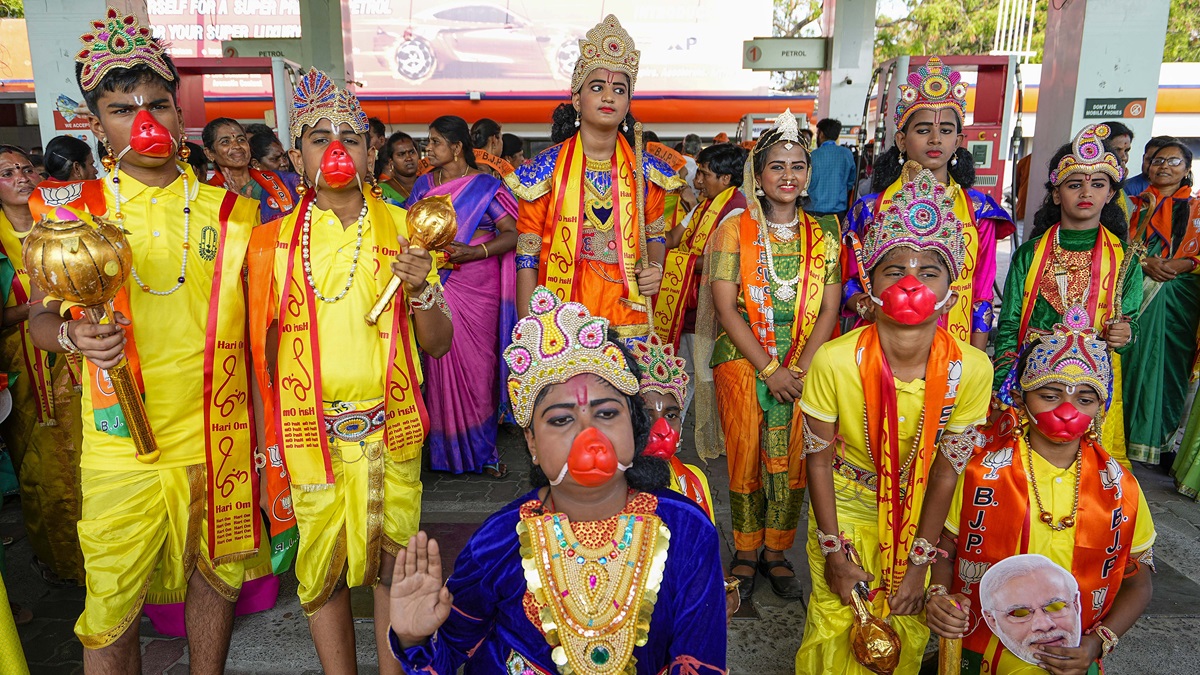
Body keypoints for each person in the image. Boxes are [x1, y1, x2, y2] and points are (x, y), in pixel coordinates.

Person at [27, 9, 264, 671]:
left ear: (180, 113)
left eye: (157, 104)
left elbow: (262, 332)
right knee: (110, 610)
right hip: (119, 443)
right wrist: (72, 335)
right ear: (95, 123)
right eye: (122, 109)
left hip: (217, 432)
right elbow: (40, 318)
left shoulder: (235, 212)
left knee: (216, 581)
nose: (144, 120)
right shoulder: (68, 212)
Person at [385, 288, 727, 674]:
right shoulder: (497, 542)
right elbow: (449, 654)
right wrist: (414, 640)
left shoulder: (687, 529)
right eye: (562, 420)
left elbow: (700, 662)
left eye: (607, 414)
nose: (587, 434)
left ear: (634, 427)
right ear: (532, 442)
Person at [246, 68, 452, 675]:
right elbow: (260, 354)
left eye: (351, 139)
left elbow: (437, 344)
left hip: (390, 430)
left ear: (369, 152)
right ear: (297, 155)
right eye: (319, 139)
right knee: (321, 571)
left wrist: (422, 290)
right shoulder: (269, 242)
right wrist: (263, 442)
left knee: (395, 565)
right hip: (309, 435)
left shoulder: (405, 229)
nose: (336, 150)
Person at [796, 167, 993, 674]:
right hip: (846, 503)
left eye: (929, 271)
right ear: (869, 285)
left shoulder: (971, 368)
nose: (911, 283)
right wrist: (834, 552)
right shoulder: (835, 360)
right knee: (836, 628)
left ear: (951, 292)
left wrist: (920, 564)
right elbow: (817, 462)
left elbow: (946, 472)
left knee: (903, 629)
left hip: (921, 509)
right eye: (894, 270)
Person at [928, 321, 1155, 674]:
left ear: (1102, 406)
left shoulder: (1120, 488)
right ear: (1020, 398)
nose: (1067, 410)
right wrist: (939, 596)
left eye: (1085, 399)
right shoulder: (979, 472)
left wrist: (1097, 643)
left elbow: (1138, 582)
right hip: (981, 656)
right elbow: (943, 550)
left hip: (1070, 661)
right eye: (1050, 396)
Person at [700, 110, 841, 602]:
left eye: (798, 166)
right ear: (757, 177)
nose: (788, 175)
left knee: (795, 460)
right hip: (743, 359)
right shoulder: (733, 230)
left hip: (804, 362)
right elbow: (724, 306)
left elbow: (830, 307)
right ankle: (745, 548)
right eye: (776, 166)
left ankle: (777, 551)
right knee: (745, 456)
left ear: (808, 175)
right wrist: (769, 368)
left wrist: (800, 367)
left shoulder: (825, 232)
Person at [508, 15, 683, 343]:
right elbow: (527, 255)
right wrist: (530, 333)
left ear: (628, 103)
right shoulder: (545, 171)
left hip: (629, 318)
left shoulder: (647, 172)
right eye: (597, 87)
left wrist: (656, 269)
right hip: (561, 321)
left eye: (619, 90)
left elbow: (655, 236)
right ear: (577, 99)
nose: (609, 97)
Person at [993, 125, 1140, 467]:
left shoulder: (1125, 258)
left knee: (1087, 471)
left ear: (1110, 194)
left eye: (1098, 184)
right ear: (1057, 194)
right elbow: (1010, 323)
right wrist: (1004, 381)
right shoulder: (1029, 254)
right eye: (1075, 184)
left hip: (1093, 385)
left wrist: (1126, 333)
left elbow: (1131, 324)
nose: (1086, 192)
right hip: (1035, 381)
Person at [844, 57, 1014, 351]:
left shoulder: (979, 210)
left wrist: (975, 360)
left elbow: (982, 293)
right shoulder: (870, 209)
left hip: (954, 346)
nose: (935, 139)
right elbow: (848, 281)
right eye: (923, 130)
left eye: (946, 131)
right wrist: (868, 308)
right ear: (901, 140)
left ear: (958, 140)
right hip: (883, 343)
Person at [408, 115, 518, 477]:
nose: (428, 149)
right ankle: (445, 454)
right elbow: (406, 228)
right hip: (436, 281)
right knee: (438, 364)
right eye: (428, 141)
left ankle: (483, 451)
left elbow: (512, 232)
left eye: (435, 142)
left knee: (478, 369)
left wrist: (476, 252)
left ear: (456, 148)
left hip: (478, 284)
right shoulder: (424, 185)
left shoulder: (485, 186)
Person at [0, 144, 84, 588]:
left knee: (91, 460)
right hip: (24, 372)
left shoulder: (63, 223)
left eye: (25, 168)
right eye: (7, 172)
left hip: (75, 360)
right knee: (42, 470)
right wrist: (35, 309)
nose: (21, 176)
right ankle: (62, 564)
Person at [1124, 138, 1200, 465]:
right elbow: (1115, 246)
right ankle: (1122, 438)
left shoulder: (1197, 210)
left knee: (1170, 368)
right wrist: (1143, 263)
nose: (1164, 166)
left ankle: (1161, 442)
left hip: (1180, 302)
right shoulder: (1131, 205)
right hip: (1135, 296)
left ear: (1187, 169)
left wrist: (1187, 263)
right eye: (1157, 160)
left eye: (1173, 161)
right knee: (1131, 361)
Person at [656, 142, 747, 397]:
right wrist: (647, 233)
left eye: (704, 174)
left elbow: (720, 262)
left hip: (710, 305)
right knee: (684, 370)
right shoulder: (704, 205)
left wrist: (673, 261)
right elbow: (673, 238)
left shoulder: (737, 210)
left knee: (705, 378)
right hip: (687, 298)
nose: (697, 181)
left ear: (725, 178)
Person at [631, 333, 715, 522]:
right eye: (646, 415)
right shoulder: (605, 494)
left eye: (671, 416)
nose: (662, 430)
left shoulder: (695, 480)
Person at [202, 117, 300, 223]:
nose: (237, 146)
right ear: (209, 153)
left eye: (241, 140)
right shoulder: (208, 194)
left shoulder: (285, 181)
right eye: (225, 142)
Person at [807, 118, 856, 221]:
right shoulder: (847, 154)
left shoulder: (812, 156)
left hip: (814, 211)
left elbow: (806, 183)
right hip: (838, 212)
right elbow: (851, 181)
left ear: (821, 134)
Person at [378, 131, 420, 207]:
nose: (408, 158)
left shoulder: (427, 183)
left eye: (411, 152)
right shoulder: (382, 191)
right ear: (391, 161)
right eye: (401, 154)